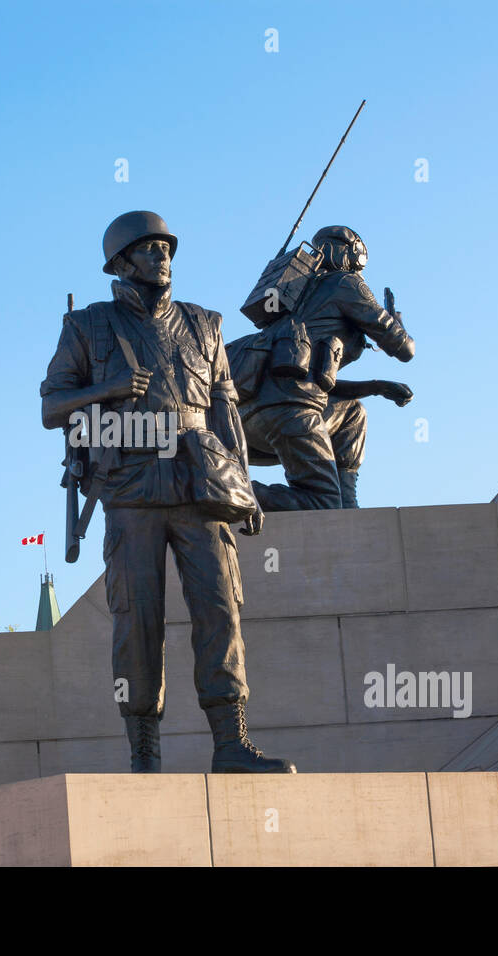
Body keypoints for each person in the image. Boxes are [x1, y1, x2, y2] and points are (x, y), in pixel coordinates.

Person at [40, 210, 295, 774]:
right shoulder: (88, 326)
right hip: (129, 485)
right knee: (137, 620)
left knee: (220, 608)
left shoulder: (206, 324)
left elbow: (226, 411)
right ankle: (144, 755)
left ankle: (231, 743)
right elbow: (51, 408)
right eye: (150, 248)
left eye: (167, 248)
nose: (163, 257)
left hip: (201, 482)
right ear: (121, 262)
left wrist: (246, 488)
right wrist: (106, 388)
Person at [230, 225, 415, 510]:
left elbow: (312, 378)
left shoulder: (294, 296)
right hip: (290, 411)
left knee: (353, 412)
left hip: (250, 416)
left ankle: (347, 504)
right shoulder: (346, 284)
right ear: (351, 253)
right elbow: (403, 349)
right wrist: (398, 323)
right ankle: (228, 486)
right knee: (321, 503)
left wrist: (377, 387)